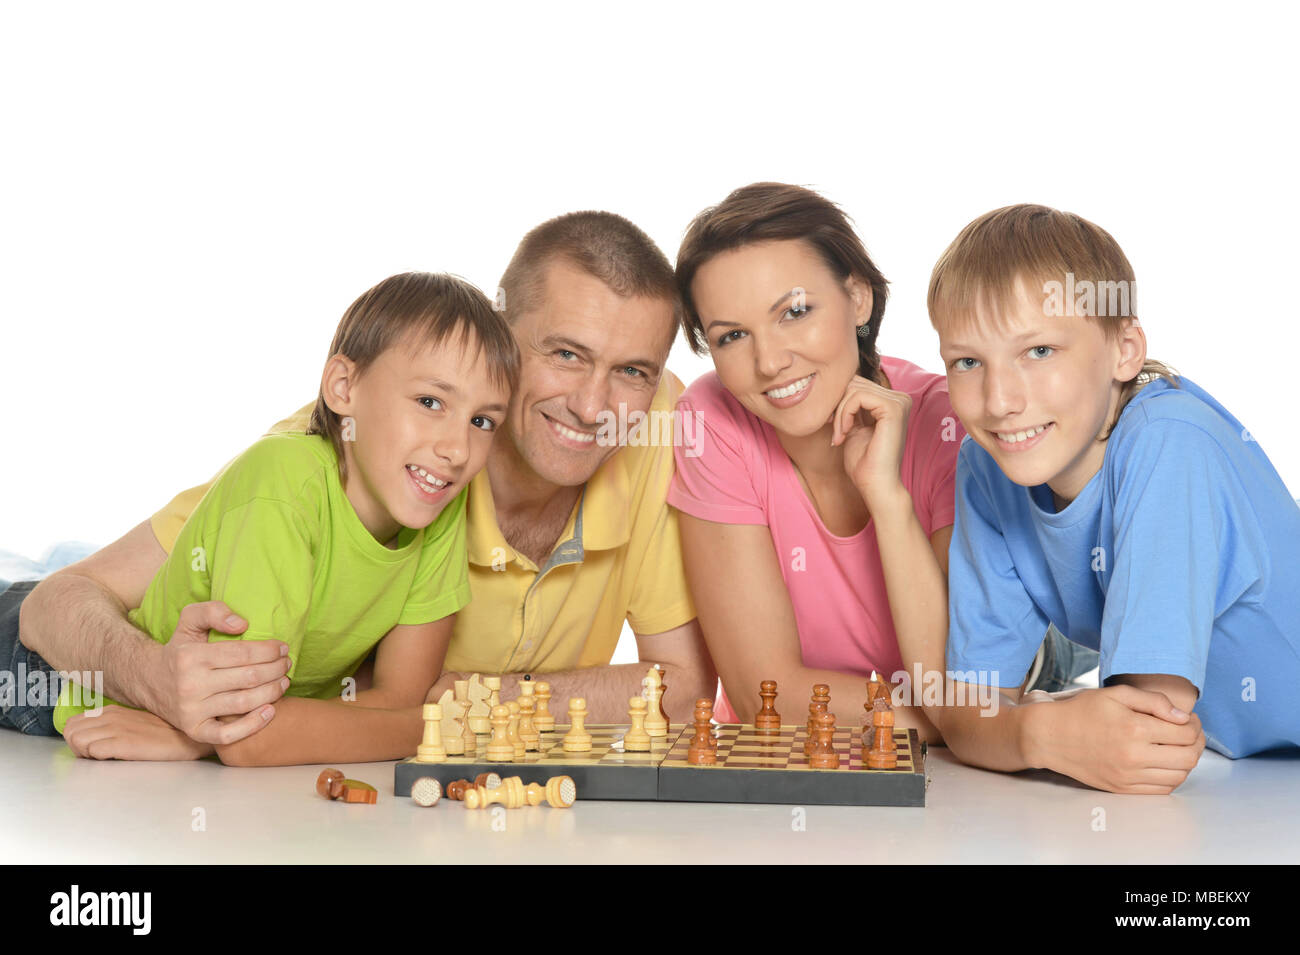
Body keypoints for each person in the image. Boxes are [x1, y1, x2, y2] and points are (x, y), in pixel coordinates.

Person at [16, 212, 714, 752]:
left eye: (632, 371)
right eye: (565, 353)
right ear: (498, 344)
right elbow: (57, 603)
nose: (594, 408)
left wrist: (477, 703)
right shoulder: (342, 453)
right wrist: (165, 692)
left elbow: (683, 692)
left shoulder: (657, 428)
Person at [15, 272, 519, 765]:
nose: (457, 449)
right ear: (343, 387)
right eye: (430, 401)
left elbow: (399, 702)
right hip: (54, 671)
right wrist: (444, 727)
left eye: (482, 421)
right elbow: (252, 735)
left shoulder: (438, 500)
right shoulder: (283, 482)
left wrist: (213, 737)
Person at [928, 204, 1300, 794]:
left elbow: (1144, 733)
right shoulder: (987, 467)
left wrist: (1029, 724)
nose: (998, 400)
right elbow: (965, 713)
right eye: (968, 362)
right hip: (1267, 779)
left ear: (1124, 350)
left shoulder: (1168, 441)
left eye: (1039, 351)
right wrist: (1037, 735)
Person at [669, 182, 1035, 737]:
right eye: (732, 336)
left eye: (794, 312)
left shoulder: (947, 422)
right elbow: (759, 697)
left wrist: (888, 500)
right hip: (779, 767)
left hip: (949, 786)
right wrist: (956, 719)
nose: (769, 362)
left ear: (858, 298)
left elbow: (969, 680)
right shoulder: (711, 419)